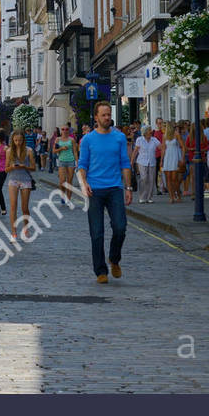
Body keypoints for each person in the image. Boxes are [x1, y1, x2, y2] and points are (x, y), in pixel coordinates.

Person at [76, 101, 132, 283]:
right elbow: (82, 165)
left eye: (109, 114)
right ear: (96, 117)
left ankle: (114, 259)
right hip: (95, 190)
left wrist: (129, 188)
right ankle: (100, 271)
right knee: (97, 232)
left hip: (115, 188)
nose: (107, 118)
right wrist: (84, 182)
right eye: (104, 115)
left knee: (120, 227)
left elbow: (125, 163)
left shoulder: (119, 138)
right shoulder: (88, 140)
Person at [5, 129, 37, 241]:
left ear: (23, 140)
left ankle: (25, 227)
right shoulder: (9, 151)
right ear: (12, 140)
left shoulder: (29, 151)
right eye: (15, 140)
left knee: (24, 208)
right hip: (13, 179)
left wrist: (24, 166)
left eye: (20, 140)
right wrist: (12, 166)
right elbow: (6, 169)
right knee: (13, 206)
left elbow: (34, 168)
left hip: (25, 180)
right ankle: (13, 233)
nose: (17, 142)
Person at [133, 124, 161, 204]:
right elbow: (135, 151)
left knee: (151, 179)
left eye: (151, 130)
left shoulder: (154, 139)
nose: (151, 131)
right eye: (149, 130)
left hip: (152, 162)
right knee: (143, 178)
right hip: (142, 161)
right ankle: (142, 197)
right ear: (145, 132)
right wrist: (132, 161)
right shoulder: (139, 139)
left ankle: (149, 197)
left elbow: (161, 147)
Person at [54, 125, 77, 206]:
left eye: (66, 129)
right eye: (63, 129)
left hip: (71, 161)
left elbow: (75, 151)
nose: (65, 131)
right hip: (62, 161)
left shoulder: (72, 140)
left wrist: (77, 162)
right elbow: (54, 151)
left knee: (69, 181)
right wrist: (61, 148)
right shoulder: (58, 139)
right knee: (62, 181)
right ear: (61, 130)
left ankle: (68, 199)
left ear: (69, 131)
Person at [161, 122, 184, 203]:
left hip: (175, 156)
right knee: (168, 178)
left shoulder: (176, 134)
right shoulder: (164, 136)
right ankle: (171, 197)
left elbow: (183, 146)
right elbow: (163, 148)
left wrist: (182, 158)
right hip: (167, 157)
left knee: (174, 178)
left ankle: (178, 195)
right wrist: (161, 160)